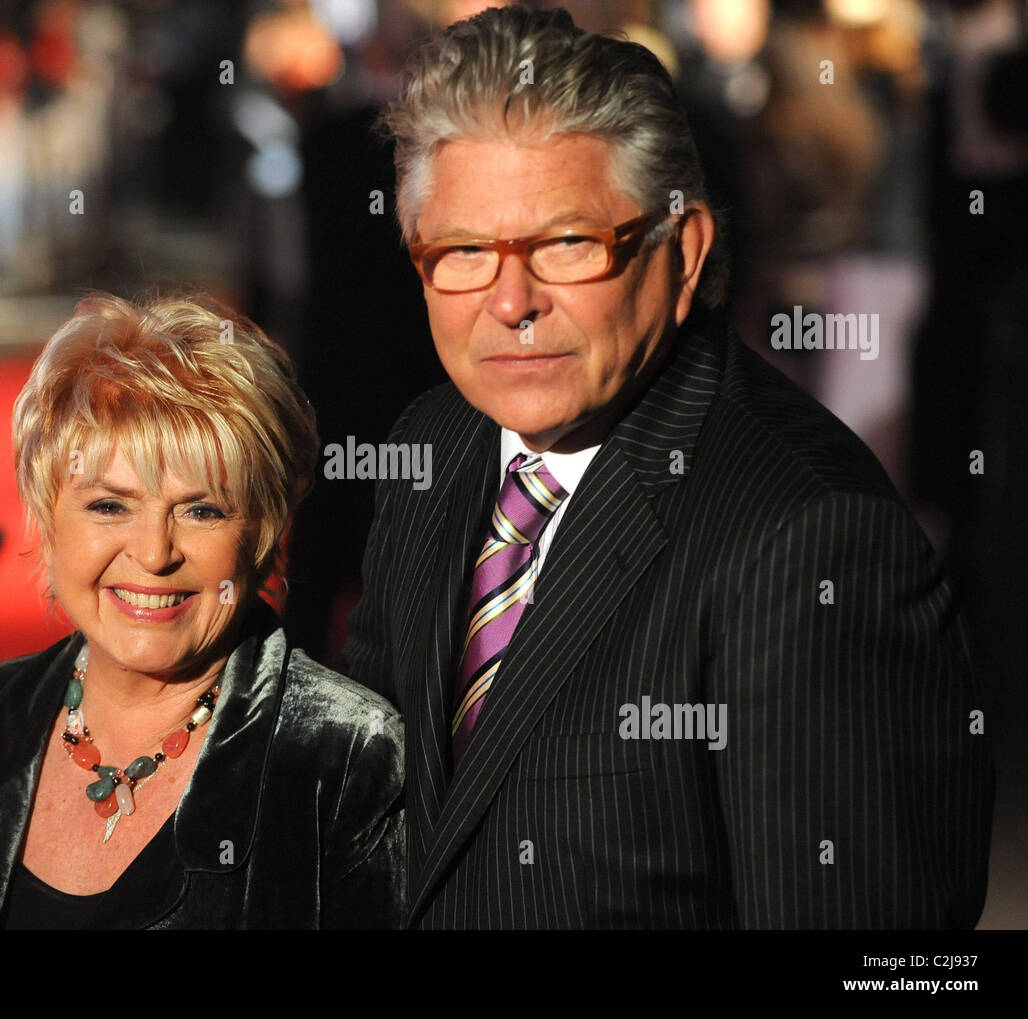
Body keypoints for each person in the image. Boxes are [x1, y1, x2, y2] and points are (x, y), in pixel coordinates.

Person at [343, 5, 994, 929]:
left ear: (682, 252)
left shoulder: (812, 543)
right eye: (463, 252)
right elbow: (375, 812)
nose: (511, 301)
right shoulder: (435, 442)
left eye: (566, 243)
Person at [0, 293, 404, 929]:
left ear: (263, 532)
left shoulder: (342, 760)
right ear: (46, 514)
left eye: (202, 510)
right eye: (109, 506)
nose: (153, 554)